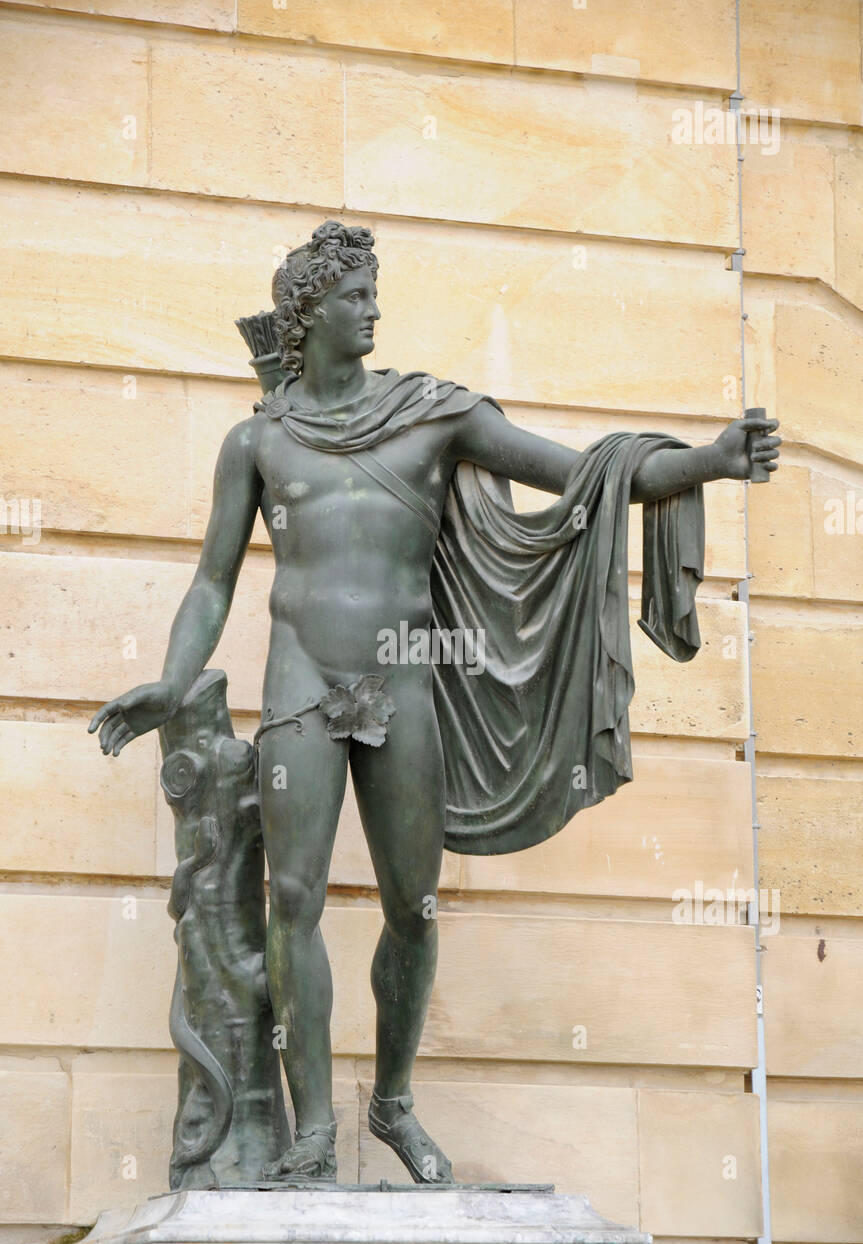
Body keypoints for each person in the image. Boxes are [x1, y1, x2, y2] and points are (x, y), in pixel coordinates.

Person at [89, 221, 781, 1183]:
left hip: (403, 679)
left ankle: (395, 1103)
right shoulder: (257, 440)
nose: (374, 308)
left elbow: (580, 473)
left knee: (413, 905)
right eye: (356, 296)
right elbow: (213, 581)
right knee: (291, 899)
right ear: (308, 315)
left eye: (374, 292)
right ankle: (313, 1130)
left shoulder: (433, 415)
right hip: (299, 681)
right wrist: (172, 677)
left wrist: (705, 462)